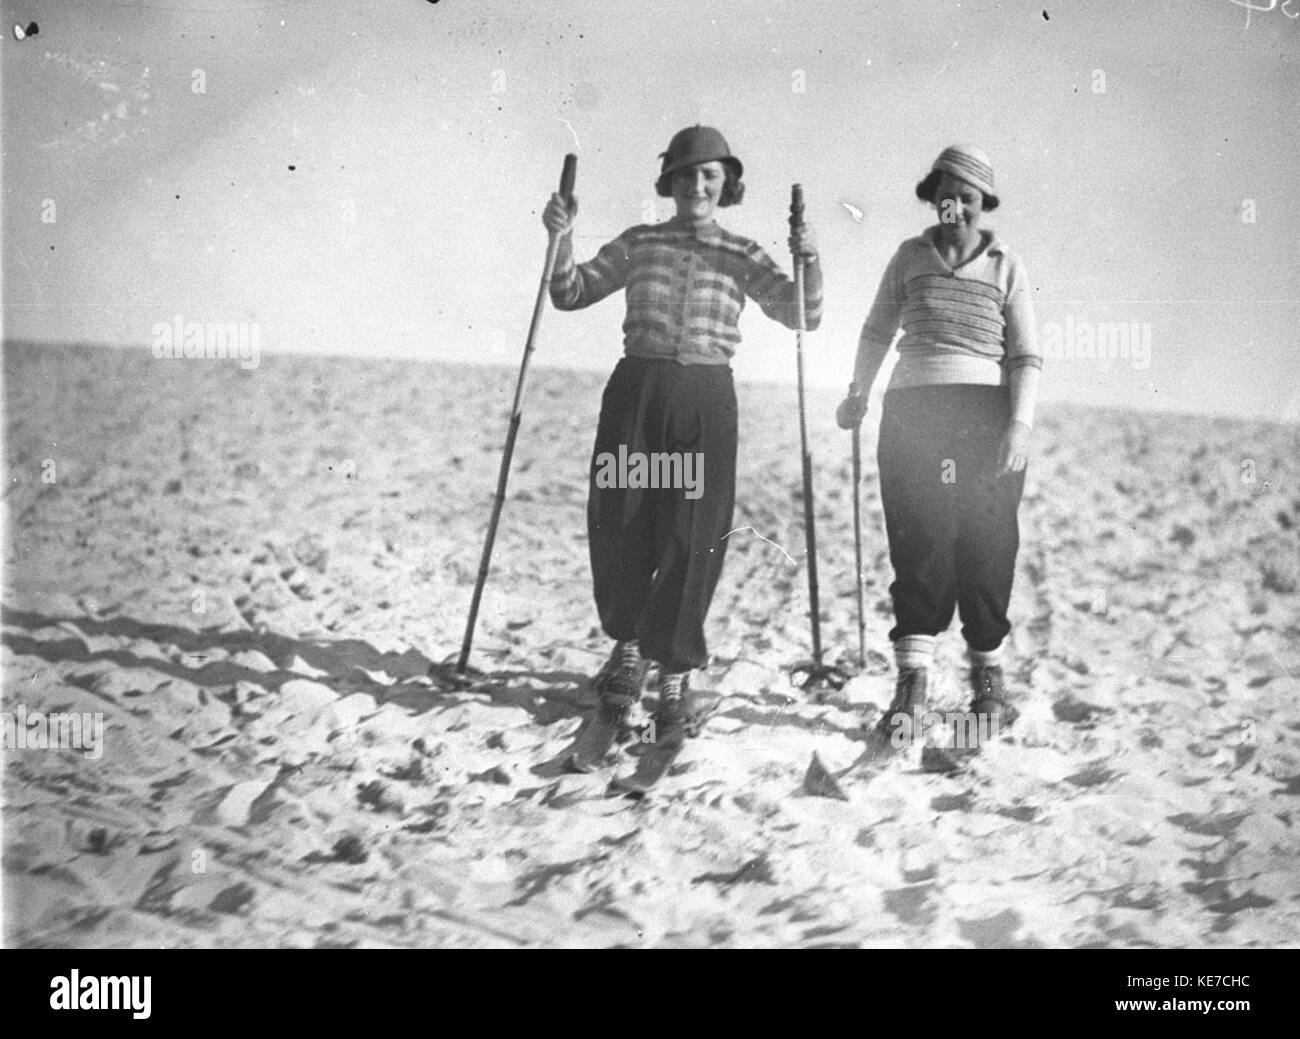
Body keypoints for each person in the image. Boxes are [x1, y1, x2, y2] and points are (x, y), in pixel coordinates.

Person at [543, 125, 821, 743]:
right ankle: (626, 650)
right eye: (689, 174)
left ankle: (673, 673)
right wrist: (560, 237)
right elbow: (569, 292)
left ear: (726, 187)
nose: (698, 186)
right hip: (637, 397)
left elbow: (802, 312)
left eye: (711, 177)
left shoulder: (742, 253)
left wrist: (810, 259)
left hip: (703, 403)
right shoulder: (640, 243)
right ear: (670, 180)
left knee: (691, 533)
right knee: (623, 519)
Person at [837, 144, 1042, 746]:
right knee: (919, 540)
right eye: (948, 195)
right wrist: (858, 391)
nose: (959, 208)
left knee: (986, 544)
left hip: (986, 416)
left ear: (984, 205)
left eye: (971, 199)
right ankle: (913, 687)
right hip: (913, 412)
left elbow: (1026, 356)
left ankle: (988, 686)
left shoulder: (1007, 264)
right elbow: (877, 330)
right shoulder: (908, 257)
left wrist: (1019, 426)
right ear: (934, 197)